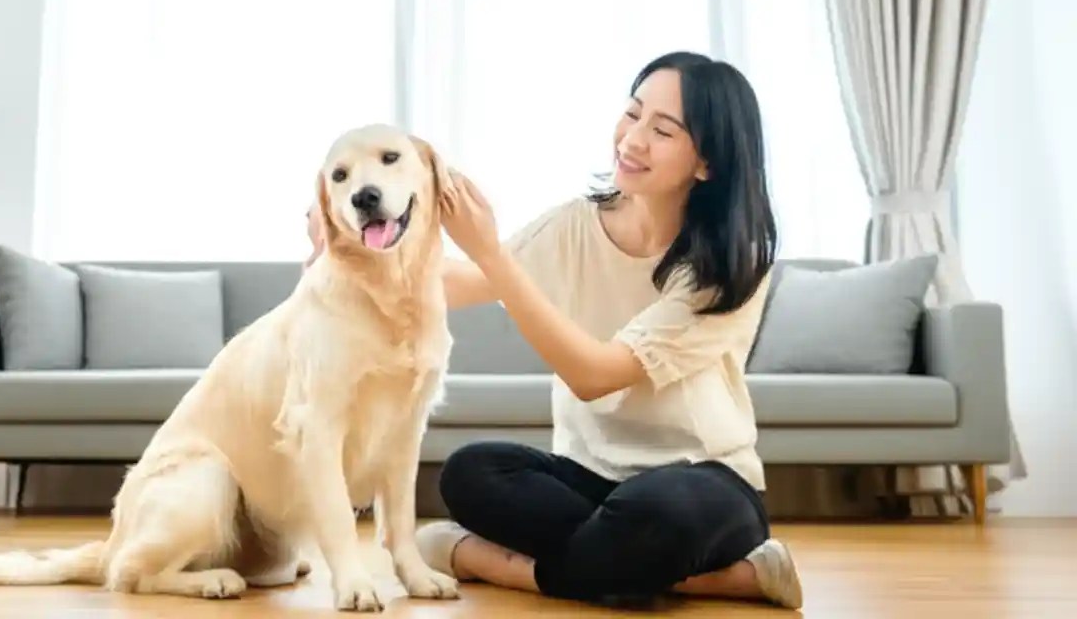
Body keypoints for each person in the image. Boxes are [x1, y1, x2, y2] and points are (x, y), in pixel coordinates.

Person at [306, 51, 802, 610]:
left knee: (657, 515)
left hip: (703, 480)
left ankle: (488, 561)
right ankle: (702, 574)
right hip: (586, 476)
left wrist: (491, 252)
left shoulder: (731, 266)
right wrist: (351, 254)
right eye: (632, 113)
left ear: (707, 162)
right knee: (469, 473)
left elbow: (596, 376)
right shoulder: (576, 223)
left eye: (662, 130)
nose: (633, 139)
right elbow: (460, 284)